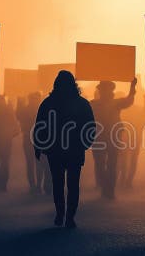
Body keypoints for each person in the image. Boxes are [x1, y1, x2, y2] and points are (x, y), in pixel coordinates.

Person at [33, 71, 95, 228]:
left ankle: (61, 214)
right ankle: (69, 217)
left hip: (56, 150)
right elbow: (90, 127)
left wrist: (38, 146)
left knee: (58, 183)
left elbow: (40, 126)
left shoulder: (48, 103)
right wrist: (86, 144)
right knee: (72, 185)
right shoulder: (82, 103)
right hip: (73, 150)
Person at [90, 79, 136, 199]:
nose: (106, 92)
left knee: (111, 164)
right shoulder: (93, 104)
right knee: (101, 165)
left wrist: (132, 87)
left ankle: (109, 189)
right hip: (99, 137)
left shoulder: (116, 103)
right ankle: (107, 187)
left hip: (111, 137)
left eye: (107, 90)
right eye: (103, 90)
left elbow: (129, 101)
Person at [17, 92, 45, 194]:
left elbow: (18, 116)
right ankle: (36, 185)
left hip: (30, 139)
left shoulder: (26, 109)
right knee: (39, 163)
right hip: (39, 139)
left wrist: (19, 104)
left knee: (31, 163)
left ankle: (34, 185)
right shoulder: (42, 109)